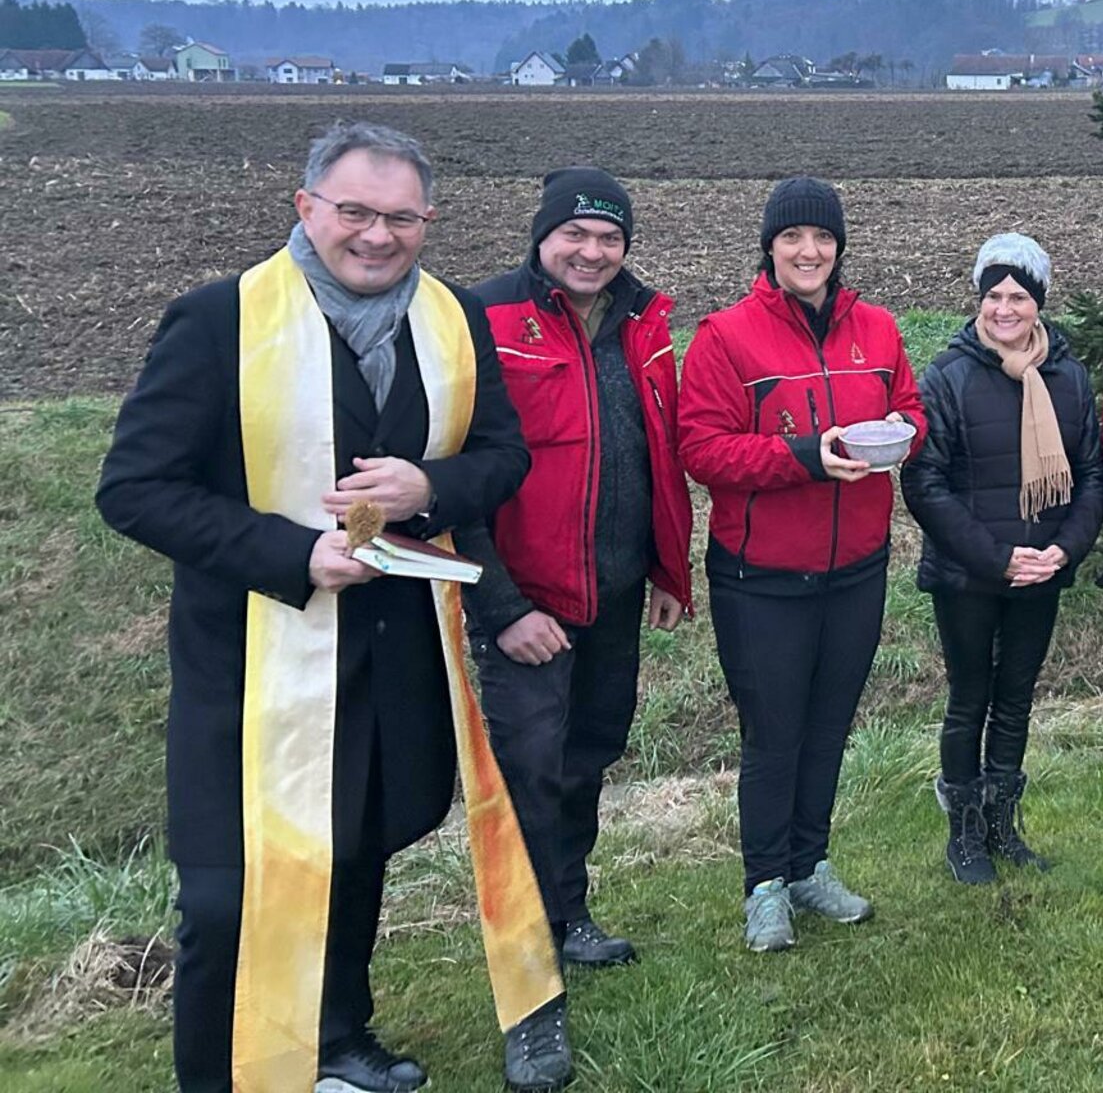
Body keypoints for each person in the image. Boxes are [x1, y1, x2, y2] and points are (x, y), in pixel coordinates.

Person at [95, 123, 571, 1093]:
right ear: (305, 207)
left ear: (427, 222)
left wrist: (426, 487)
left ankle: (338, 1040)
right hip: (251, 670)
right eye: (353, 210)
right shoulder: (217, 321)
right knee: (229, 903)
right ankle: (220, 1078)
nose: (376, 235)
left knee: (355, 857)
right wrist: (290, 554)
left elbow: (504, 459)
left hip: (394, 662)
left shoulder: (452, 322)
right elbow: (133, 488)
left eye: (401, 217)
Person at [676, 176, 927, 951]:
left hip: (855, 567)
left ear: (839, 247)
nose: (809, 251)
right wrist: (804, 456)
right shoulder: (726, 336)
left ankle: (811, 863)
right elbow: (703, 450)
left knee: (828, 727)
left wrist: (900, 435)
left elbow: (910, 409)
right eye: (793, 239)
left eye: (822, 238)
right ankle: (764, 886)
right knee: (773, 731)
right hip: (762, 577)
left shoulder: (877, 329)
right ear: (770, 248)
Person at [464, 167, 693, 970]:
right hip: (530, 602)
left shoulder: (644, 323)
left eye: (610, 238)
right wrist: (499, 605)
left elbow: (656, 453)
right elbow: (454, 476)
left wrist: (669, 570)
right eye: (576, 234)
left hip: (619, 590)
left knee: (589, 756)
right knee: (530, 773)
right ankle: (526, 952)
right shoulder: (486, 318)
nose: (592, 252)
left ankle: (569, 914)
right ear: (543, 236)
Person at [902, 233, 1103, 883]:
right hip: (969, 575)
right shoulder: (949, 376)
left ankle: (1003, 827)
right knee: (970, 698)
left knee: (1016, 699)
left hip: (1041, 573)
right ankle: (964, 836)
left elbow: (1093, 475)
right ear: (979, 300)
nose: (1004, 309)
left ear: (1038, 304)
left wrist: (1061, 551)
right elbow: (924, 482)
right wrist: (999, 558)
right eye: (993, 295)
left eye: (1018, 296)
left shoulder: (1068, 378)